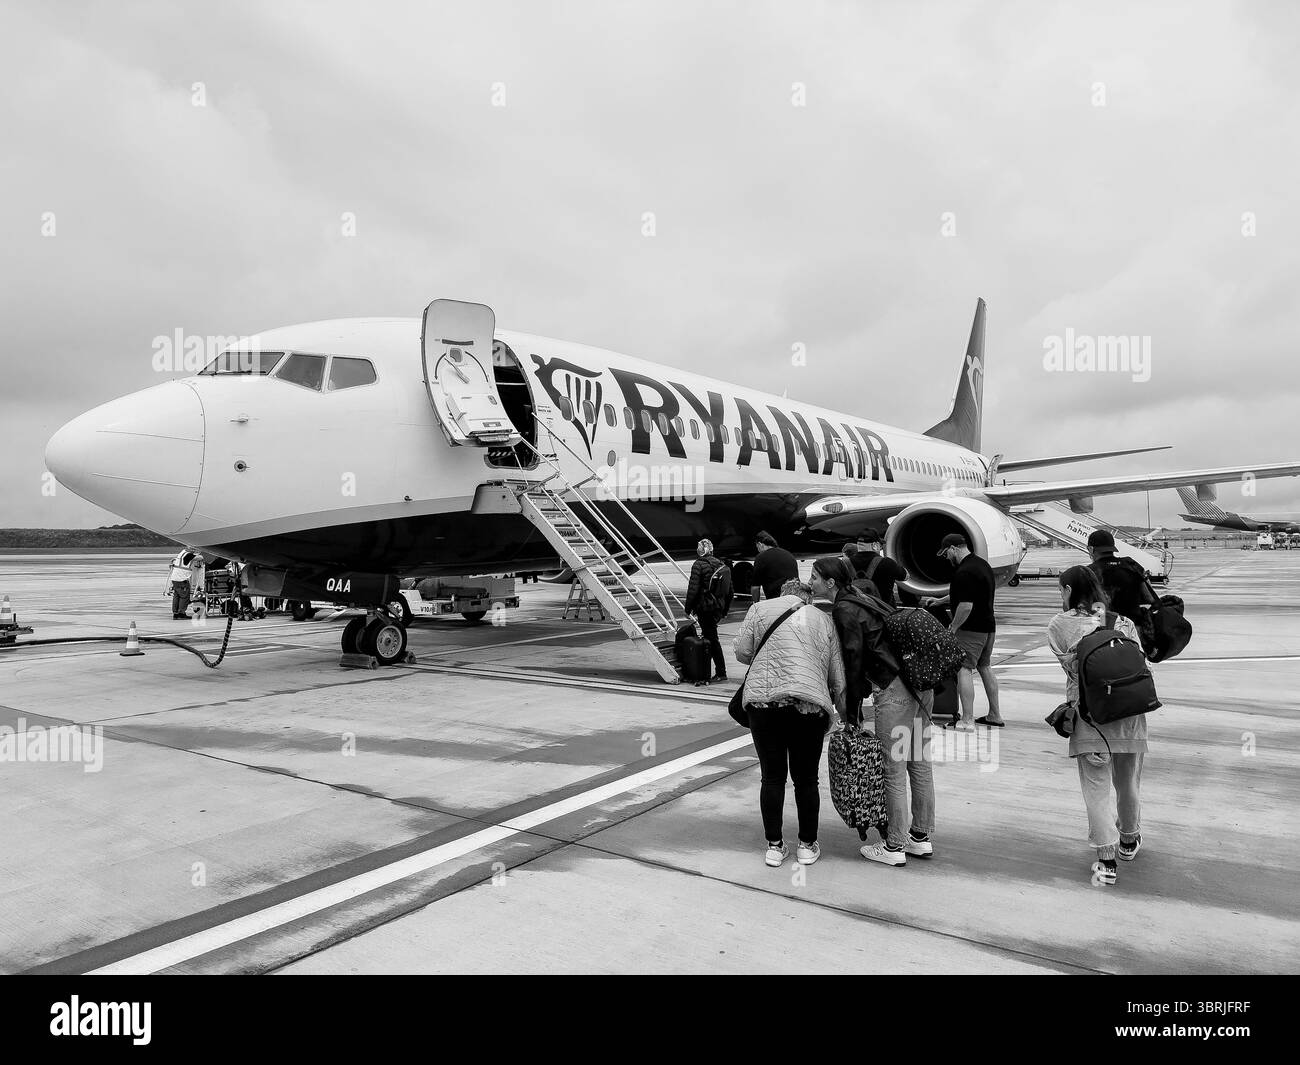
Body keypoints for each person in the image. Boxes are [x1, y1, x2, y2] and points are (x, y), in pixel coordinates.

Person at [813, 556, 935, 867]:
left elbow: (853, 661)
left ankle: (894, 846)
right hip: (920, 685)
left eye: (814, 577)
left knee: (892, 771)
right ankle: (920, 838)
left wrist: (851, 709)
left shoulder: (843, 608)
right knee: (918, 764)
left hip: (893, 689)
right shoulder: (863, 597)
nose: (810, 582)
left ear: (830, 582)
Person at [1047, 565, 1148, 886]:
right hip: (1131, 714)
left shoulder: (1060, 624)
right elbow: (1140, 660)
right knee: (1128, 781)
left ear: (1067, 591)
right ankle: (1129, 840)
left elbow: (1069, 666)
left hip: (1091, 717)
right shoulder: (1122, 622)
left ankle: (1107, 860)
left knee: (1096, 789)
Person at [734, 578, 845, 868]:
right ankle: (807, 845)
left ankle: (774, 846)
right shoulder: (822, 618)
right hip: (807, 706)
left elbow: (743, 652)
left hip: (764, 704)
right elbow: (837, 672)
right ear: (806, 599)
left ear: (783, 595)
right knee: (806, 779)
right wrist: (841, 709)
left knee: (771, 777)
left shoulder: (760, 609)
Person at [922, 533, 1002, 730]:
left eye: (946, 554)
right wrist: (940, 601)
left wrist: (953, 628)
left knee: (963, 670)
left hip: (970, 629)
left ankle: (967, 720)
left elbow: (966, 605)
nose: (947, 558)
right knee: (985, 667)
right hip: (988, 626)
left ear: (952, 549)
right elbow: (964, 593)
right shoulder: (982, 565)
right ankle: (995, 714)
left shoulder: (964, 572)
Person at [1087, 530, 1155, 634]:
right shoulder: (1132, 565)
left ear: (1091, 549)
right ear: (1112, 548)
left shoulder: (1088, 572)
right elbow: (1149, 598)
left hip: (1103, 633)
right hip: (1133, 630)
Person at [684, 539, 729, 682]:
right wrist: (724, 610)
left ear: (700, 550)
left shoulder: (698, 564)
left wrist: (688, 608)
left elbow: (693, 589)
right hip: (717, 608)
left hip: (705, 608)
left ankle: (720, 672)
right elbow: (730, 591)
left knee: (712, 639)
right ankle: (704, 669)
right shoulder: (721, 564)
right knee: (709, 637)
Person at [850, 531, 907, 605]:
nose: (880, 548)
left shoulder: (845, 563)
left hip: (854, 612)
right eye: (880, 546)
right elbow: (905, 577)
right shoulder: (887, 562)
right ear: (874, 545)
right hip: (883, 612)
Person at [750, 531, 799, 602]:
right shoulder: (788, 554)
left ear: (760, 544)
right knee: (793, 613)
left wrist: (756, 603)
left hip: (777, 601)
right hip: (797, 600)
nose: (758, 550)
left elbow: (755, 587)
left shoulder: (761, 557)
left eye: (757, 547)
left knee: (776, 613)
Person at [168, 550, 193, 618]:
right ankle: (181, 613)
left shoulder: (181, 553)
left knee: (176, 596)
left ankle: (175, 613)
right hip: (181, 579)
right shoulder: (189, 555)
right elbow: (200, 558)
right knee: (184, 596)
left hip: (174, 578)